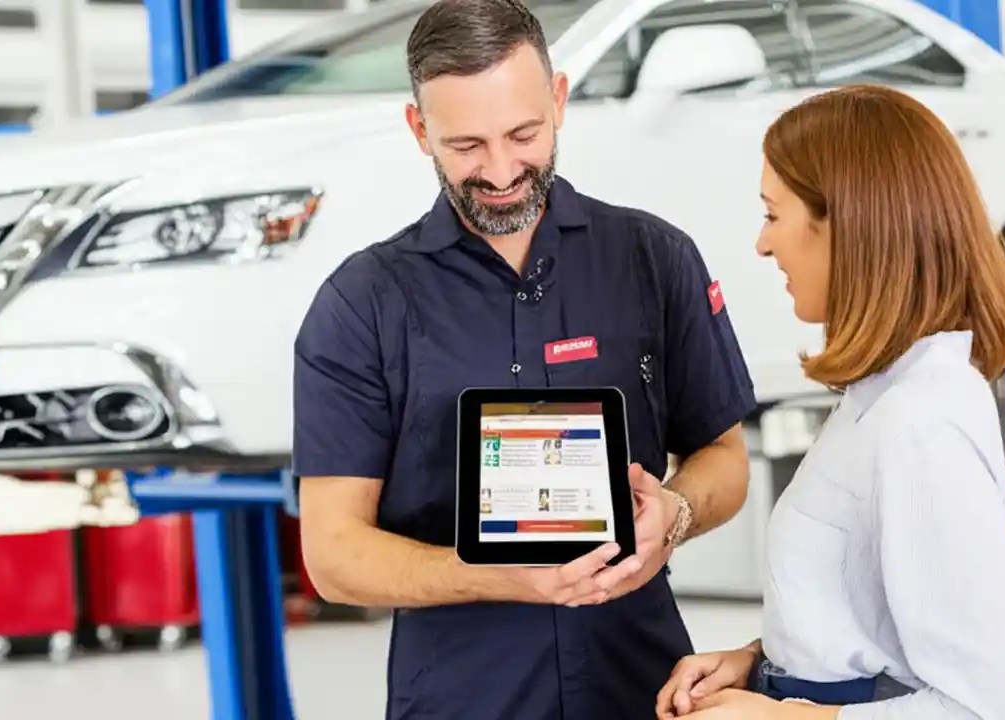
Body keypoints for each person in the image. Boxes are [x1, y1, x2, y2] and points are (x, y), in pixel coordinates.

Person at [290, 1, 757, 718]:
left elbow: (724, 455)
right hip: (462, 697)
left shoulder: (653, 259)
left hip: (642, 685)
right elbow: (332, 554)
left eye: (523, 134)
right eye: (467, 145)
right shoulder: (363, 304)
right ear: (420, 131)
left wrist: (679, 511)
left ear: (560, 101)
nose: (502, 170)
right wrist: (494, 574)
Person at [656, 85, 1005, 719]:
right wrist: (762, 662)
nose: (762, 243)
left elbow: (995, 709)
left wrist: (788, 717)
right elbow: (873, 625)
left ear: (846, 224)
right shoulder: (881, 398)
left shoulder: (922, 424)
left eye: (773, 214)